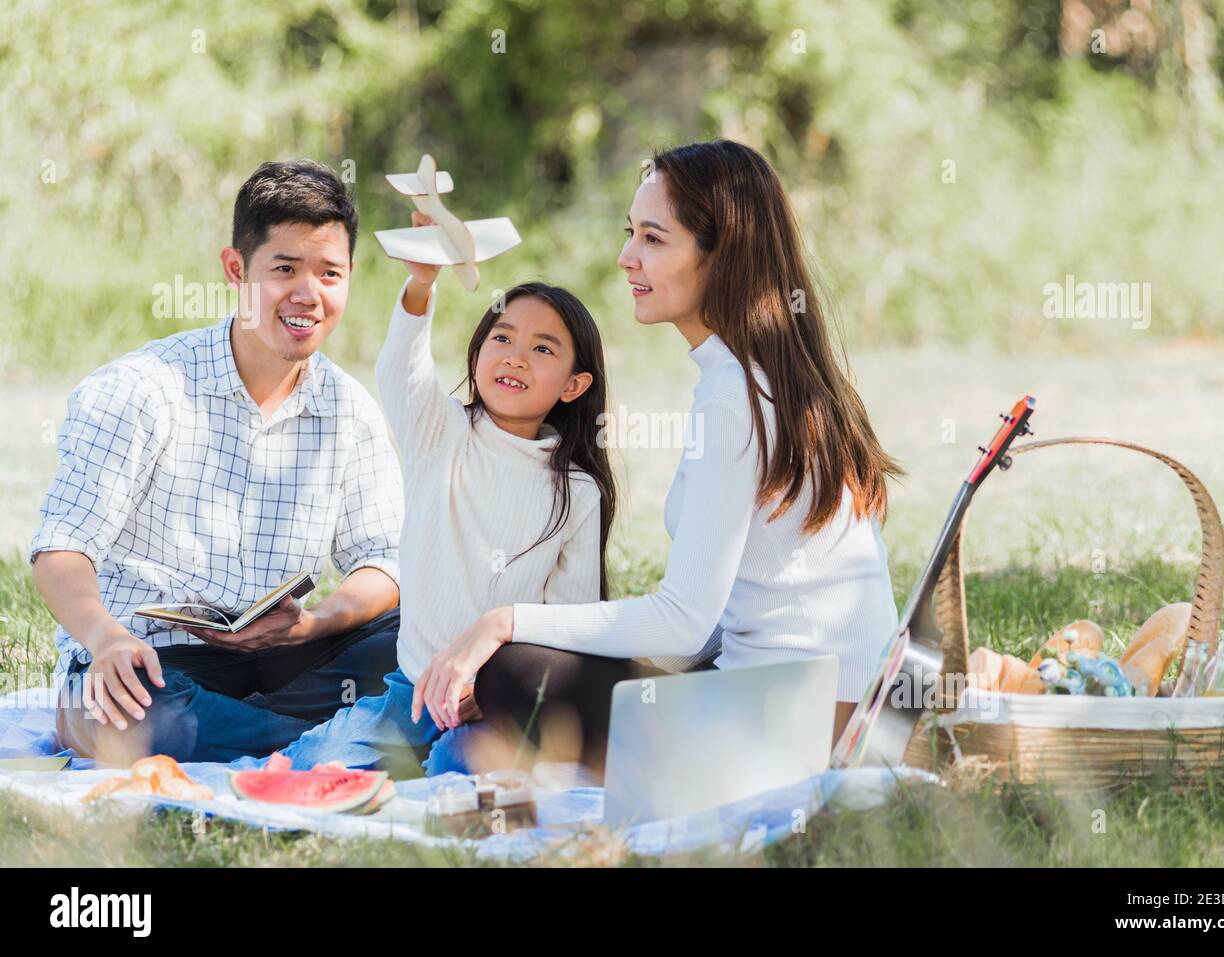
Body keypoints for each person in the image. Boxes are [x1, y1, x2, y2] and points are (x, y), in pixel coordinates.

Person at [415, 140, 905, 772]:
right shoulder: (774, 377)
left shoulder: (736, 397)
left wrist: (505, 623)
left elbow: (683, 623)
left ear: (721, 254)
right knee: (539, 665)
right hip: (833, 709)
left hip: (788, 730)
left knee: (512, 670)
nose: (626, 258)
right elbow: (702, 630)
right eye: (630, 233)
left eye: (653, 238)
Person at [30, 160, 405, 766]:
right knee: (140, 716)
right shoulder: (141, 389)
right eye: (284, 269)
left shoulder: (349, 409)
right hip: (151, 661)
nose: (308, 294)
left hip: (284, 661)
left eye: (329, 273)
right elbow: (61, 549)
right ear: (236, 269)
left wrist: (313, 625)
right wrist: (105, 638)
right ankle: (342, 740)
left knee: (419, 638)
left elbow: (386, 560)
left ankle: (294, 735)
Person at [268, 209, 615, 777]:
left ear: (574, 386)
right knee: (315, 765)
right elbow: (399, 370)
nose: (516, 356)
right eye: (502, 337)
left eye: (544, 349)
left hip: (495, 696)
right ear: (477, 356)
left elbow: (569, 617)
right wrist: (423, 282)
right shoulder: (442, 431)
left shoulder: (575, 491)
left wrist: (500, 687)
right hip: (412, 688)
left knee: (460, 770)